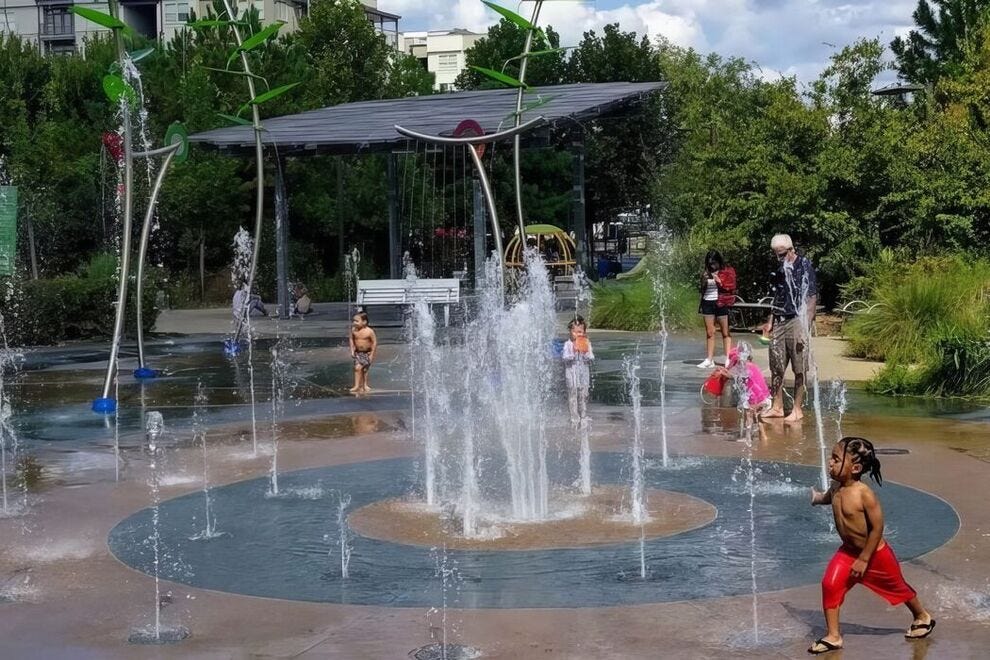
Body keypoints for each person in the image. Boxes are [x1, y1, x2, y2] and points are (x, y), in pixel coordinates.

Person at [808, 437, 935, 654]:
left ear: (855, 467)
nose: (830, 462)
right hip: (847, 552)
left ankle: (922, 616)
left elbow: (877, 528)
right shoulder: (837, 485)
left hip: (875, 555)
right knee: (830, 584)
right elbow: (832, 497)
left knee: (898, 587)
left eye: (836, 459)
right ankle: (833, 636)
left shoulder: (864, 494)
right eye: (831, 458)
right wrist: (819, 498)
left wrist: (865, 558)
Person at [764, 234, 816, 422]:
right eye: (776, 255)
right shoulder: (779, 268)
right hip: (779, 319)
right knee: (776, 365)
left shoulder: (804, 266)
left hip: (797, 320)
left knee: (799, 366)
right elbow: (776, 297)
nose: (779, 259)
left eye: (782, 254)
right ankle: (777, 406)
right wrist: (770, 320)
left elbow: (811, 299)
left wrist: (805, 327)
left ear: (791, 250)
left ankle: (797, 408)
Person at [717, 341, 770, 439]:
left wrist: (726, 374)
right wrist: (726, 372)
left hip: (756, 399)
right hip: (763, 397)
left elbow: (736, 376)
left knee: (749, 416)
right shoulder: (751, 365)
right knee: (757, 417)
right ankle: (763, 436)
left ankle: (747, 437)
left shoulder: (746, 366)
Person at [697, 250, 736, 369]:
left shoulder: (727, 271)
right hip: (707, 302)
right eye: (710, 263)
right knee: (710, 332)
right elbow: (702, 289)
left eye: (714, 263)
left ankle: (728, 357)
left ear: (719, 261)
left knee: (725, 331)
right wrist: (703, 281)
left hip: (721, 302)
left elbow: (732, 287)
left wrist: (720, 281)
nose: (712, 266)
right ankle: (709, 359)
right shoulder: (706, 272)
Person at [562, 316, 594, 429]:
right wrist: (573, 352)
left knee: (583, 394)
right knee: (572, 394)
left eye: (580, 332)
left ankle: (583, 416)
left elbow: (591, 358)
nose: (577, 334)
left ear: (584, 332)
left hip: (583, 372)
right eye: (574, 332)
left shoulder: (587, 343)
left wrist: (585, 353)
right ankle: (574, 417)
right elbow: (565, 358)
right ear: (570, 332)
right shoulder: (568, 344)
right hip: (571, 372)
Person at [349, 311, 377, 394]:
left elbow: (374, 342)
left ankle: (364, 385)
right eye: (353, 320)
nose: (354, 323)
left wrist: (372, 354)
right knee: (357, 368)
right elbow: (351, 339)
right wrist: (352, 349)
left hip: (367, 352)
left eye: (357, 321)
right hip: (358, 352)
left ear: (364, 322)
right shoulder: (354, 330)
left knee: (365, 369)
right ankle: (357, 385)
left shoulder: (369, 331)